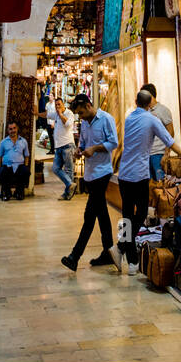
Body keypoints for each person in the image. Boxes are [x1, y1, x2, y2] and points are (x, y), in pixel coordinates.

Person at [119, 89, 181, 274]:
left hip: (124, 173)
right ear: (150, 102)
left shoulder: (129, 118)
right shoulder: (151, 119)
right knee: (142, 212)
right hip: (139, 174)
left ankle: (127, 254)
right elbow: (169, 141)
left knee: (127, 216)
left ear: (136, 101)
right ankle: (125, 251)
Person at [61, 94, 120, 272]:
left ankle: (75, 256)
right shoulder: (85, 122)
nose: (80, 117)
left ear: (88, 106)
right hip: (90, 174)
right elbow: (84, 142)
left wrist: (95, 149)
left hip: (102, 172)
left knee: (89, 216)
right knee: (101, 215)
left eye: (81, 113)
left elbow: (114, 142)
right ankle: (109, 252)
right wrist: (80, 149)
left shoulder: (106, 119)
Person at [142, 82, 175, 181]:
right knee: (149, 185)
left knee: (161, 184)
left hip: (159, 154)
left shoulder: (163, 110)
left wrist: (166, 153)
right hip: (146, 155)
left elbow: (170, 132)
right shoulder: (145, 111)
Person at [0, 120, 31, 199]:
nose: (13, 131)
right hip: (8, 166)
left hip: (19, 166)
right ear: (8, 130)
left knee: (26, 171)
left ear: (17, 128)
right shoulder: (3, 142)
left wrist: (25, 166)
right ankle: (7, 193)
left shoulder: (23, 141)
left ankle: (18, 192)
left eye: (14, 128)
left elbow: (27, 156)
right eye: (10, 129)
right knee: (2, 172)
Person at [51, 97, 77, 200]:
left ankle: (67, 194)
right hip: (58, 146)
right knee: (55, 168)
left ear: (63, 105)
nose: (57, 106)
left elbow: (68, 124)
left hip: (68, 145)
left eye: (59, 104)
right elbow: (47, 114)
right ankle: (70, 184)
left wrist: (61, 114)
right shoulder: (56, 114)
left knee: (68, 170)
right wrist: (37, 113)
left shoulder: (69, 113)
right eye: (56, 105)